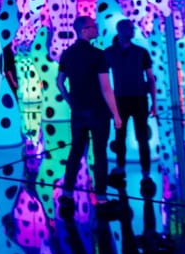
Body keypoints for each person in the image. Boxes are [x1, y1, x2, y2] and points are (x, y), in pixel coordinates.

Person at [56, 16, 123, 218]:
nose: (96, 29)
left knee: (75, 152)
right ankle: (101, 200)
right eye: (93, 26)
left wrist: (70, 102)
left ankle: (67, 195)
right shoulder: (98, 55)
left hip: (78, 112)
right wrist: (116, 114)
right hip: (98, 112)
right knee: (99, 154)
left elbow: (59, 83)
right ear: (84, 30)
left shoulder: (67, 54)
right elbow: (105, 88)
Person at [105, 19, 157, 196]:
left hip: (139, 99)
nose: (133, 30)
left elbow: (150, 79)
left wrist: (154, 104)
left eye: (132, 27)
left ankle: (145, 174)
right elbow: (103, 79)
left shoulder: (141, 53)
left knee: (142, 137)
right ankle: (120, 169)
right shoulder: (109, 53)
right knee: (120, 136)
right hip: (120, 100)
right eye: (130, 28)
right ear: (121, 30)